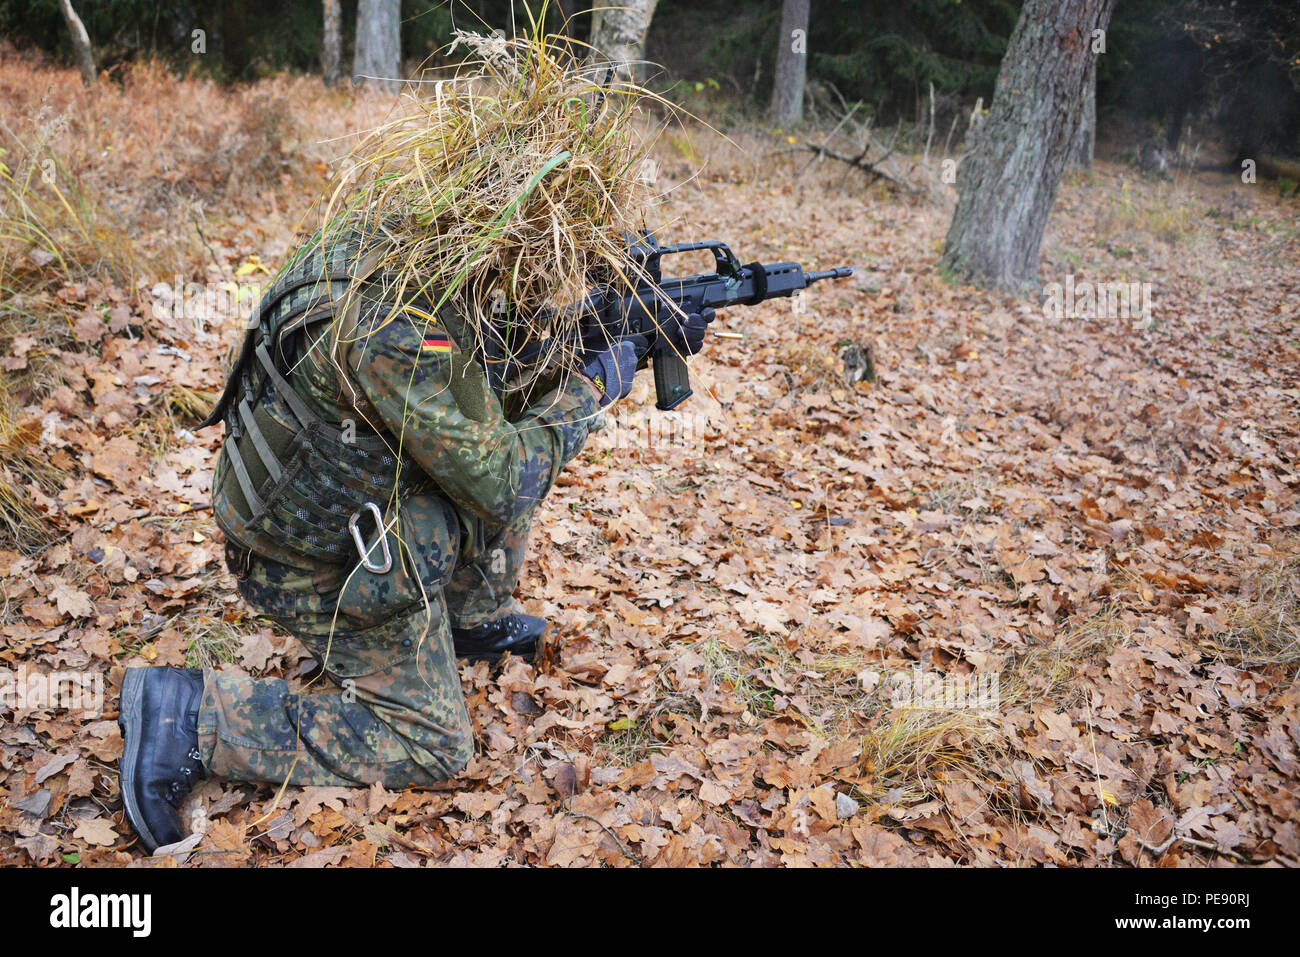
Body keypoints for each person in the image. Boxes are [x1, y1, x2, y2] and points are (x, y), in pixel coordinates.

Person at [115, 218, 714, 852]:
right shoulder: (388, 329)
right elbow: (501, 480)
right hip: (307, 562)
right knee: (432, 745)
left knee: (489, 448)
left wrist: (581, 339)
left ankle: (466, 622)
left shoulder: (384, 248)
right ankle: (191, 718)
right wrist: (592, 386)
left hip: (332, 513)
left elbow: (482, 386)